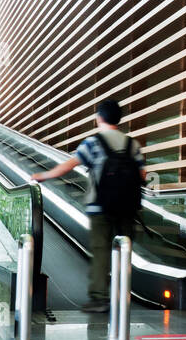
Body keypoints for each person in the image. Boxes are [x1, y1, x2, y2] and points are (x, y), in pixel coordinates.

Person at [32, 99, 145, 313]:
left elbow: (70, 165)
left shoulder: (93, 143)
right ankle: (122, 295)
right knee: (124, 251)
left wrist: (42, 176)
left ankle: (99, 298)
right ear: (119, 119)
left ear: (99, 118)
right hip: (128, 208)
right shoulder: (133, 144)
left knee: (102, 251)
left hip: (100, 207)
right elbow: (142, 174)